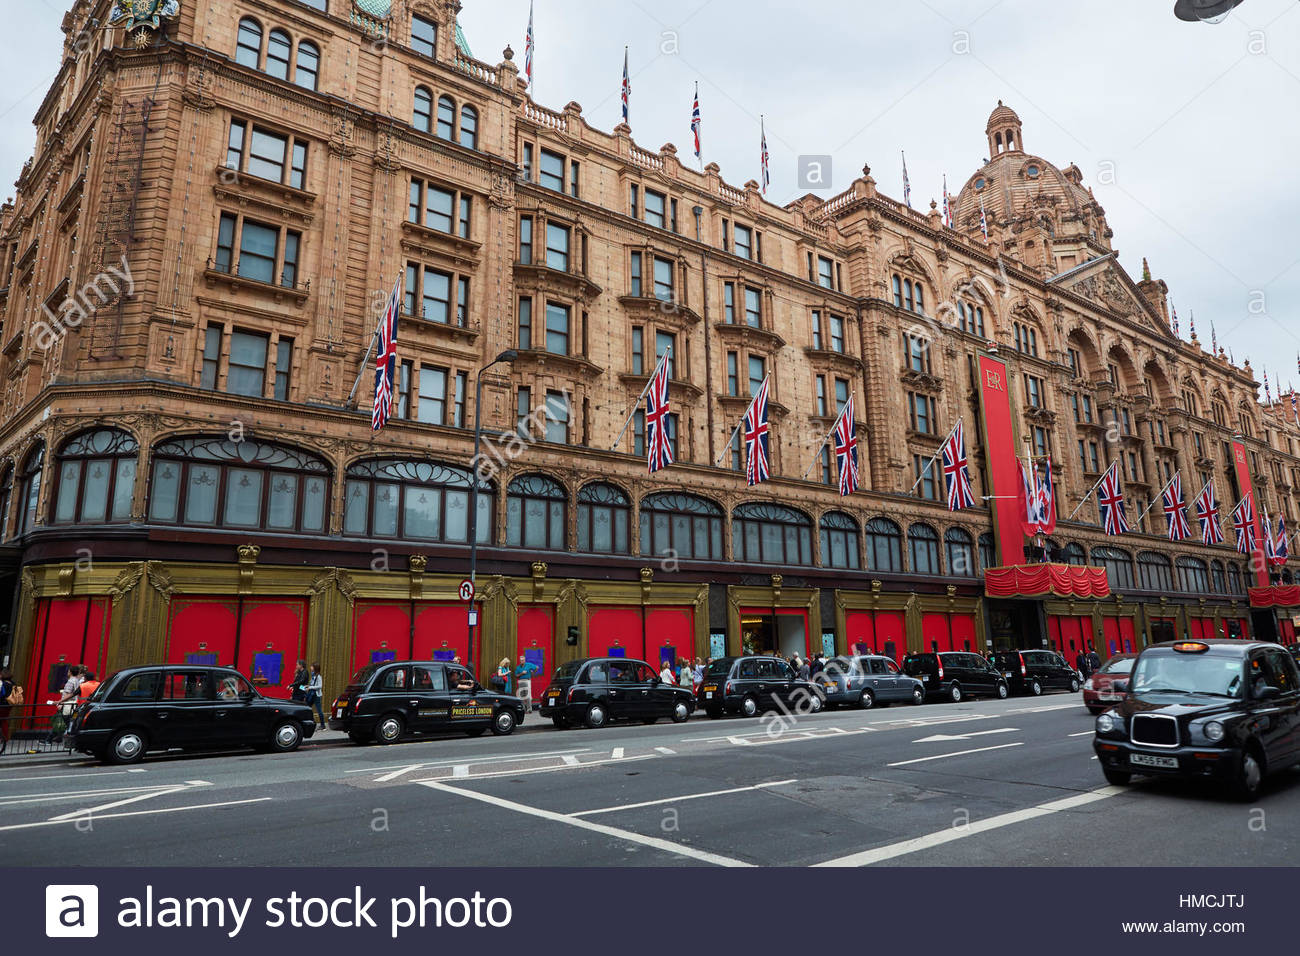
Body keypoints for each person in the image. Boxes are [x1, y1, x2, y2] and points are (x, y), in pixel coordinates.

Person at [0, 667, 15, 751]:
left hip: (2, 704)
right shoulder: (13, 683)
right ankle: (5, 738)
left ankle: (3, 738)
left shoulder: (4, 684)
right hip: (9, 705)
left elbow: (2, 694)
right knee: (4, 720)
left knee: (3, 720)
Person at [304, 663, 324, 727]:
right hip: (312, 694)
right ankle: (311, 722)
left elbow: (320, 686)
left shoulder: (318, 676)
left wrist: (310, 687)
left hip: (317, 695)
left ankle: (323, 725)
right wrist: (308, 686)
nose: (310, 667)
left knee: (319, 710)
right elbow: (312, 684)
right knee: (307, 708)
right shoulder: (313, 675)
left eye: (312, 666)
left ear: (315, 668)